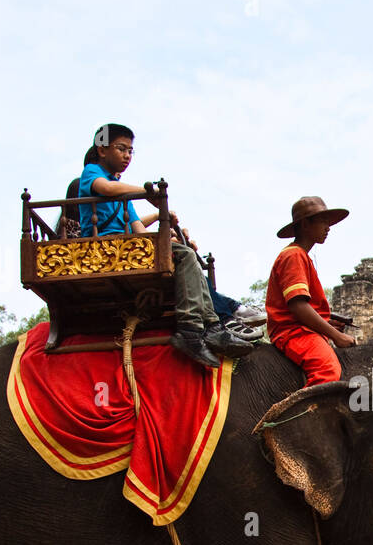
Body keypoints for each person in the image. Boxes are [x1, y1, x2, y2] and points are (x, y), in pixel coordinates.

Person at [75, 124, 251, 368]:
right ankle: (191, 330)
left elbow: (138, 230)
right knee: (185, 257)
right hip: (105, 249)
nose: (127, 155)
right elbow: (106, 188)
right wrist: (148, 192)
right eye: (121, 148)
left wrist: (166, 237)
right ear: (102, 150)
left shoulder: (124, 195)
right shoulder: (92, 173)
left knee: (185, 253)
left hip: (127, 247)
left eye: (130, 151)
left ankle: (211, 324)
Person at [265, 196, 357, 385]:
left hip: (301, 329)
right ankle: (307, 415)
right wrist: (336, 335)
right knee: (328, 370)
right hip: (293, 333)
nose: (328, 228)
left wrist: (327, 322)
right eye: (323, 221)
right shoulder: (293, 255)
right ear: (305, 224)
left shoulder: (301, 256)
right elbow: (298, 306)